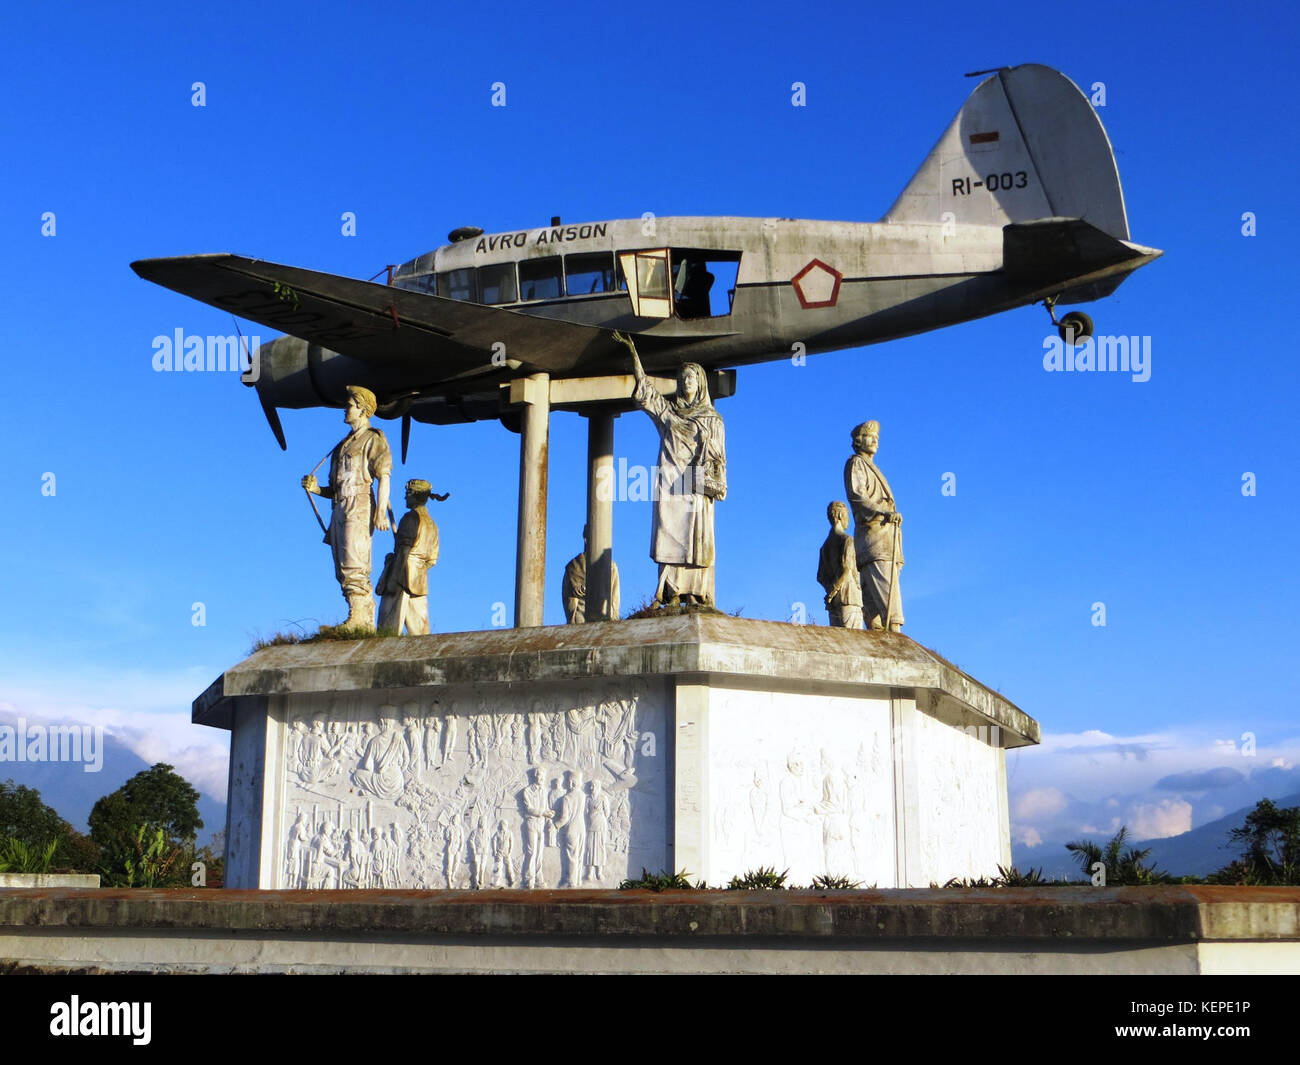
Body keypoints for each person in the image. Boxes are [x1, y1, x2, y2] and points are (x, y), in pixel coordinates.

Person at [612, 331, 726, 606]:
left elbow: (719, 460)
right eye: (683, 377)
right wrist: (634, 356)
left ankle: (697, 592)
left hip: (695, 485)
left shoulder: (713, 419)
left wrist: (714, 479)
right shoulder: (669, 414)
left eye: (691, 377)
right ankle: (670, 591)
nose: (686, 382)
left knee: (696, 538)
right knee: (670, 535)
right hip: (670, 483)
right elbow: (647, 394)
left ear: (700, 384)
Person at [302, 385, 392, 630]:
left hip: (360, 504)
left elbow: (384, 476)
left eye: (350, 405)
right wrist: (316, 489)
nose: (346, 408)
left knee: (355, 560)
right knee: (341, 564)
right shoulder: (341, 446)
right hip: (339, 506)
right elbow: (335, 487)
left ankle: (361, 617)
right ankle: (357, 615)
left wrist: (380, 511)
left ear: (362, 409)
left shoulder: (373, 438)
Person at [843, 420, 904, 631]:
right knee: (888, 598)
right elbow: (857, 496)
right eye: (871, 437)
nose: (876, 441)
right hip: (874, 539)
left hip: (884, 538)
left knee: (875, 609)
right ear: (860, 441)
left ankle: (884, 640)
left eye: (877, 438)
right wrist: (883, 511)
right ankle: (896, 641)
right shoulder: (856, 463)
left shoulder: (872, 467)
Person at [377, 479, 440, 635]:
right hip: (420, 582)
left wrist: (392, 579)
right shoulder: (432, 524)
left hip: (401, 578)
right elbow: (433, 559)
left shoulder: (410, 518)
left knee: (388, 628)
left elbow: (404, 551)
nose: (405, 498)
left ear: (415, 495)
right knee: (421, 633)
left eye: (407, 494)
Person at [817, 501, 864, 629]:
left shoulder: (825, 547)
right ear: (839, 515)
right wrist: (834, 590)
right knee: (854, 642)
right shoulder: (847, 540)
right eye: (846, 515)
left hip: (833, 603)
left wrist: (830, 591)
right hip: (850, 596)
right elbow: (847, 569)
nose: (848, 519)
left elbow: (820, 577)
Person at [562, 525, 621, 623]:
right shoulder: (573, 566)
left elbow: (614, 597)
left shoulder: (611, 566)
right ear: (585, 539)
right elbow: (573, 594)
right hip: (580, 619)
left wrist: (614, 618)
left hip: (604, 618)